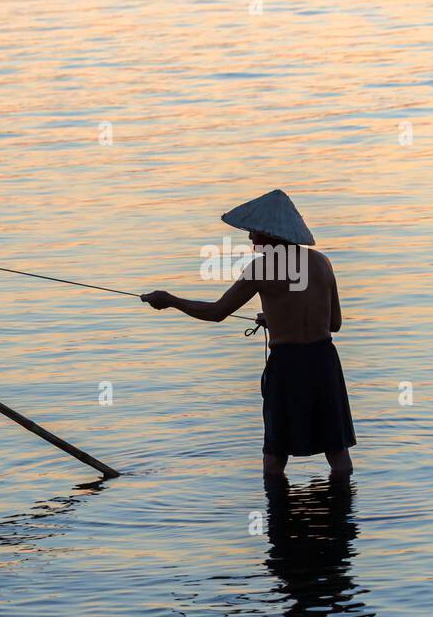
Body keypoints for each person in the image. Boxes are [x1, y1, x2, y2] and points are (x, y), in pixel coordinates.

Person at [141, 189, 356, 477]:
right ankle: (343, 513)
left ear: (271, 234)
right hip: (324, 362)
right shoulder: (321, 262)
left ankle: (277, 514)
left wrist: (171, 301)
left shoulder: (262, 267)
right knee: (336, 448)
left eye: (255, 232)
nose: (251, 238)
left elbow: (216, 313)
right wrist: (278, 317)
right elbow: (334, 324)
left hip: (289, 365)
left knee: (276, 453)